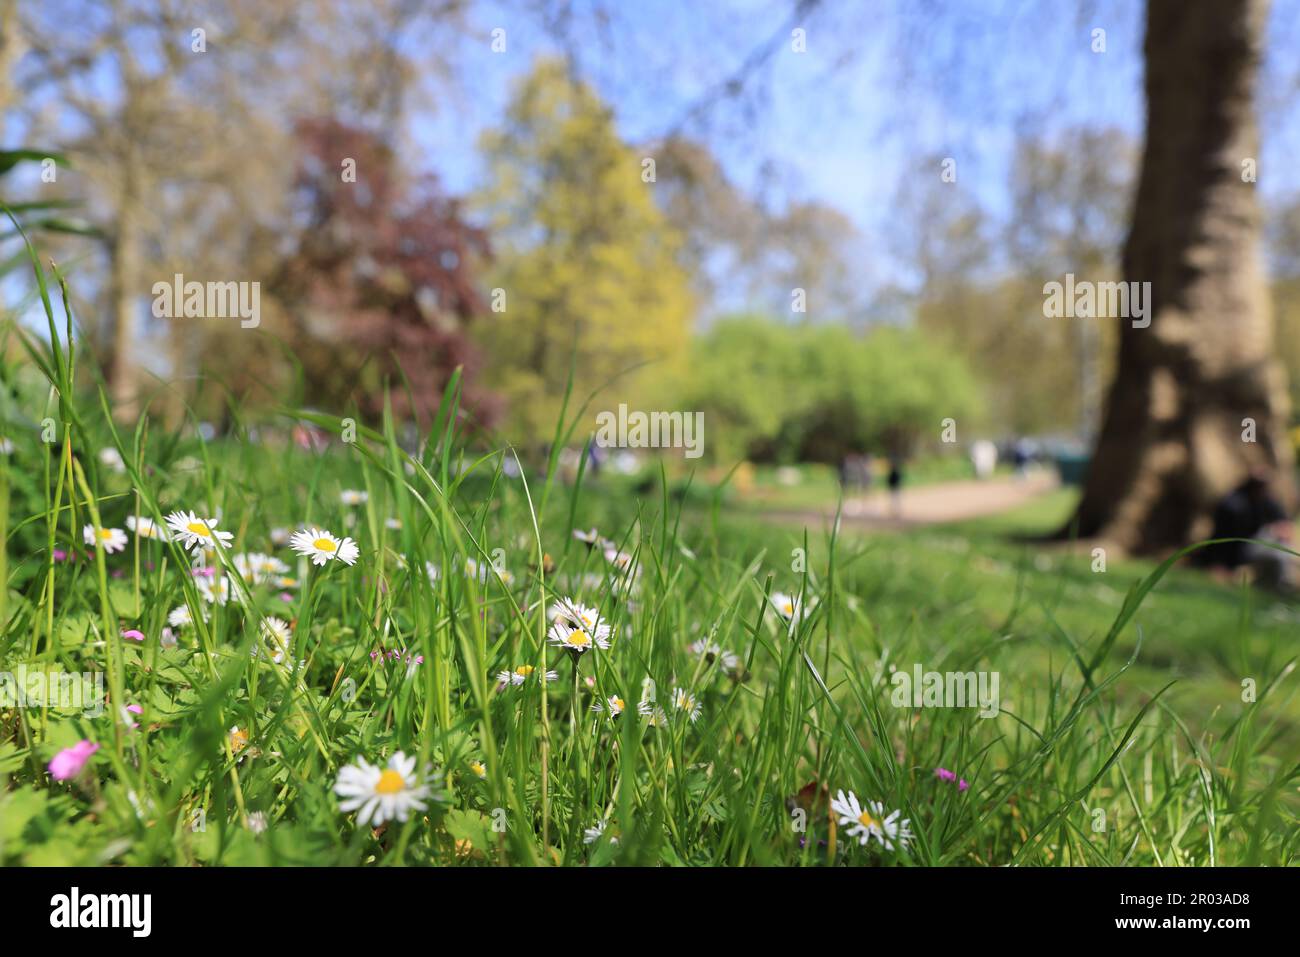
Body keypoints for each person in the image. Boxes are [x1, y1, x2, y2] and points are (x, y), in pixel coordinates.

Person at [1198, 469, 1295, 590]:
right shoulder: (1233, 504)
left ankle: (1275, 585)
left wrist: (1276, 530)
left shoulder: (1266, 501)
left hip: (1253, 545)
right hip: (1236, 549)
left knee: (1280, 551)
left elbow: (1284, 525)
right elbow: (1222, 537)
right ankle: (1276, 586)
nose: (1262, 489)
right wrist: (1219, 564)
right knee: (1278, 553)